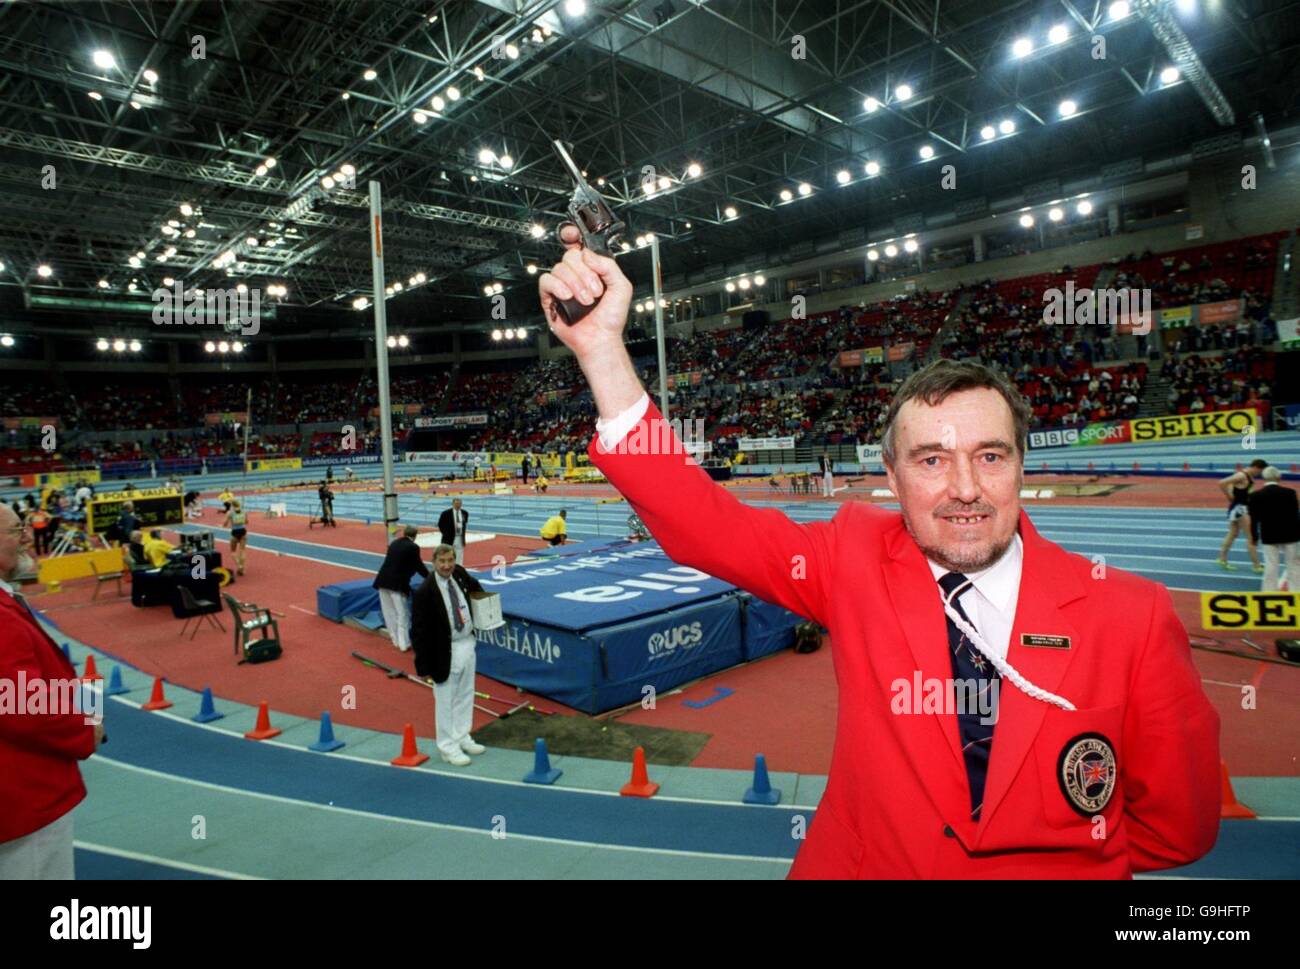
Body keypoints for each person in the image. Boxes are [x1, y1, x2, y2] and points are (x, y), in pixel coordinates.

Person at [538, 225, 1220, 879]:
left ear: (1020, 468)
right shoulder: (852, 558)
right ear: (890, 478)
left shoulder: (1131, 616)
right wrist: (602, 352)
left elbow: (1177, 827)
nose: (964, 488)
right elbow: (702, 522)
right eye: (931, 459)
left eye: (990, 455)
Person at [0, 502, 103, 878]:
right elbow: (20, 707)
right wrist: (87, 727)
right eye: (16, 531)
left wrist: (86, 700)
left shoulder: (7, 600)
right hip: (26, 802)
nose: (28, 536)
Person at [410, 543, 485, 766]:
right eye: (442, 562)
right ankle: (447, 746)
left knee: (466, 694)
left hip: (466, 644)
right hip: (444, 651)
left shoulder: (459, 575)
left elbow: (477, 589)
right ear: (433, 563)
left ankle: (463, 736)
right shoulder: (425, 592)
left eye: (450, 560)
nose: (447, 565)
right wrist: (423, 667)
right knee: (445, 701)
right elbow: (419, 631)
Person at [372, 525, 429, 653]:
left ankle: (395, 640)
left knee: (389, 612)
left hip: (382, 581)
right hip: (397, 585)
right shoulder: (413, 547)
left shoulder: (394, 543)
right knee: (402, 614)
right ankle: (404, 643)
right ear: (415, 536)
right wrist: (430, 577)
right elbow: (418, 565)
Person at [1247, 466, 1299, 591]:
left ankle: (1269, 592)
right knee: (1294, 565)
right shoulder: (1290, 493)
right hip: (1290, 534)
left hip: (1269, 534)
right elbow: (1295, 514)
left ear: (1264, 478)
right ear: (1278, 477)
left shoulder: (1255, 496)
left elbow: (1253, 519)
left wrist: (1254, 537)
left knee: (1271, 566)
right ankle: (1297, 592)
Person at [1216, 459, 1267, 572]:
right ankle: (1256, 565)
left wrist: (1232, 496)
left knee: (1233, 534)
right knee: (1250, 537)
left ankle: (1222, 559)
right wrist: (1229, 496)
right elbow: (1222, 482)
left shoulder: (1245, 475)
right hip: (1240, 509)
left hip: (1237, 507)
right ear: (1256, 467)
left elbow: (1231, 486)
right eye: (1259, 472)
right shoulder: (1241, 475)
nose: (1259, 474)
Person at [438, 498, 468, 564]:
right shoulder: (445, 513)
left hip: (460, 537)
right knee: (447, 554)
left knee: (459, 555)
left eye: (459, 504)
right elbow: (440, 525)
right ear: (453, 504)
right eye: (456, 504)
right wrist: (446, 533)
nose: (458, 505)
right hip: (448, 538)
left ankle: (458, 568)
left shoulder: (465, 513)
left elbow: (464, 524)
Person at [224, 499, 249, 575]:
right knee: (242, 550)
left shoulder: (230, 513)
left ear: (232, 505)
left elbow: (225, 524)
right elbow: (246, 522)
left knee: (233, 551)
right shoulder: (244, 512)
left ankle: (239, 565)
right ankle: (242, 567)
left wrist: (221, 525)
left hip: (235, 532)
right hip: (243, 532)